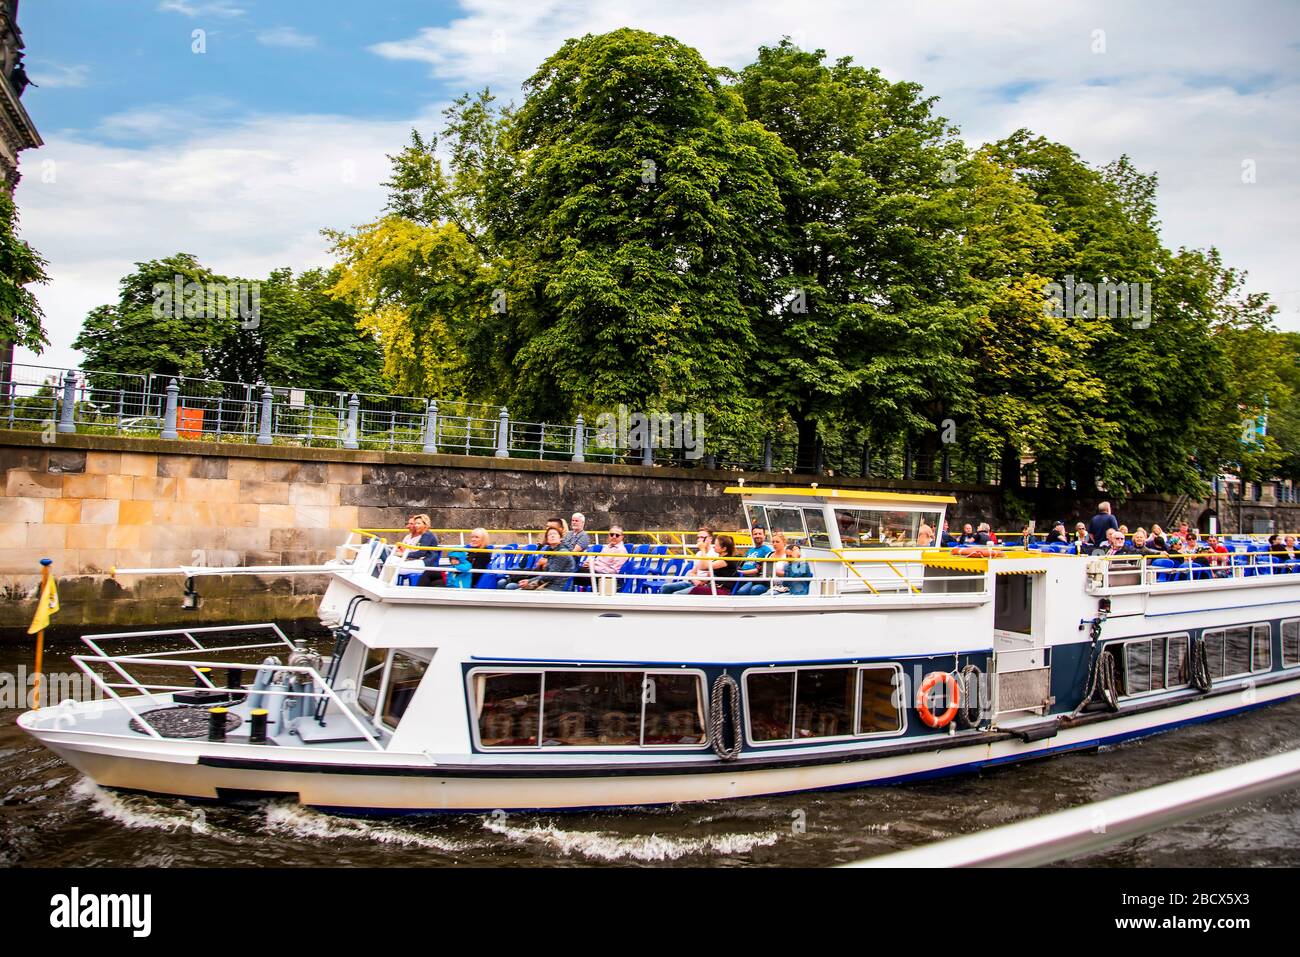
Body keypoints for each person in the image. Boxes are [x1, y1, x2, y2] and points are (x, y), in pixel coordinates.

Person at [508, 526, 574, 591]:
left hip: (557, 587)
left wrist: (530, 582)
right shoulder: (553, 552)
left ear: (561, 538)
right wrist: (529, 581)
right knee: (513, 587)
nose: (552, 536)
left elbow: (550, 575)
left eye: (555, 534)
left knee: (515, 590)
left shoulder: (562, 553)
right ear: (547, 539)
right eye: (550, 535)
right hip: (549, 584)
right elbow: (546, 575)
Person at [661, 528, 717, 594]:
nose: (699, 540)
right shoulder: (698, 554)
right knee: (665, 587)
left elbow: (711, 576)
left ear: (710, 539)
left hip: (704, 586)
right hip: (694, 582)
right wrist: (695, 580)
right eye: (698, 537)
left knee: (677, 594)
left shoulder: (714, 554)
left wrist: (700, 582)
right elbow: (693, 572)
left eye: (702, 537)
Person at [396, 513, 442, 586]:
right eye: (415, 523)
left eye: (419, 523)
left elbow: (421, 553)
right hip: (423, 561)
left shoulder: (427, 535)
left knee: (397, 568)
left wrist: (403, 554)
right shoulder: (425, 535)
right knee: (394, 565)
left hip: (426, 563)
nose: (416, 525)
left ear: (425, 524)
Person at [733, 525, 774, 595]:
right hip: (742, 576)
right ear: (752, 536)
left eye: (760, 534)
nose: (757, 536)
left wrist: (740, 572)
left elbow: (760, 570)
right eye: (755, 534)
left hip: (753, 578)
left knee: (741, 592)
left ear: (764, 536)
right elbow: (742, 563)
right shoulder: (750, 550)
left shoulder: (767, 550)